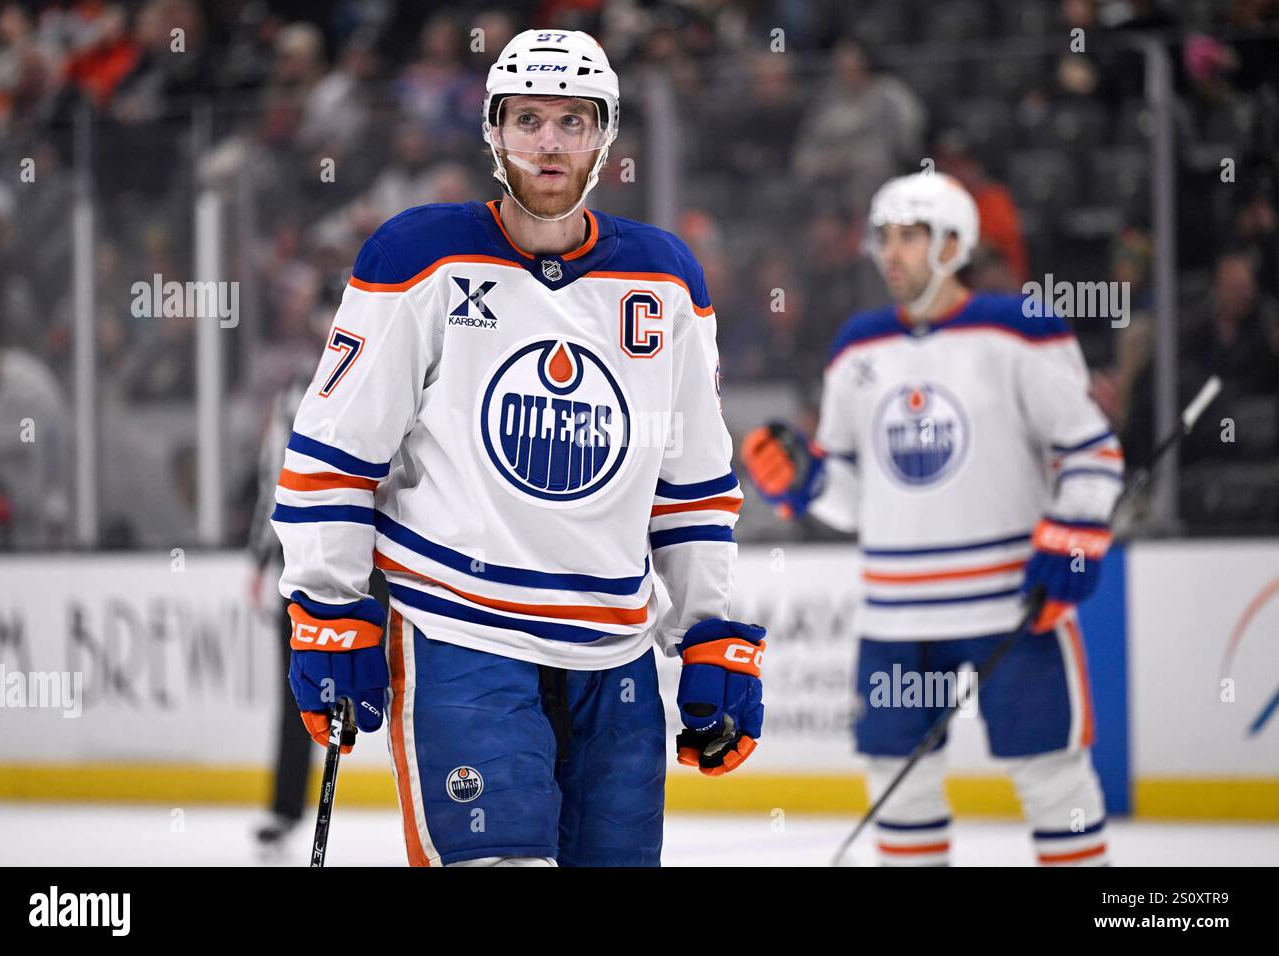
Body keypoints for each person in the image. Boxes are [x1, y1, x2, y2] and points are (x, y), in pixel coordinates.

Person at [271, 30, 765, 867]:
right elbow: (334, 455)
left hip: (615, 655)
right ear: (493, 133)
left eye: (572, 122)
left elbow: (692, 489)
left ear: (604, 136)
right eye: (527, 119)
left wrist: (712, 633)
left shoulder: (665, 279)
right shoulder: (418, 257)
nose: (548, 143)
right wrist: (326, 606)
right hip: (461, 634)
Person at [743, 173, 1120, 867]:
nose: (891, 253)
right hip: (895, 617)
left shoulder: (1021, 331)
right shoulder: (858, 346)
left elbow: (1093, 453)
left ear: (953, 245)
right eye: (883, 237)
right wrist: (806, 484)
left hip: (1009, 606)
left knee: (1051, 777)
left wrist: (1072, 544)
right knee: (899, 784)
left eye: (909, 237)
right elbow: (856, 499)